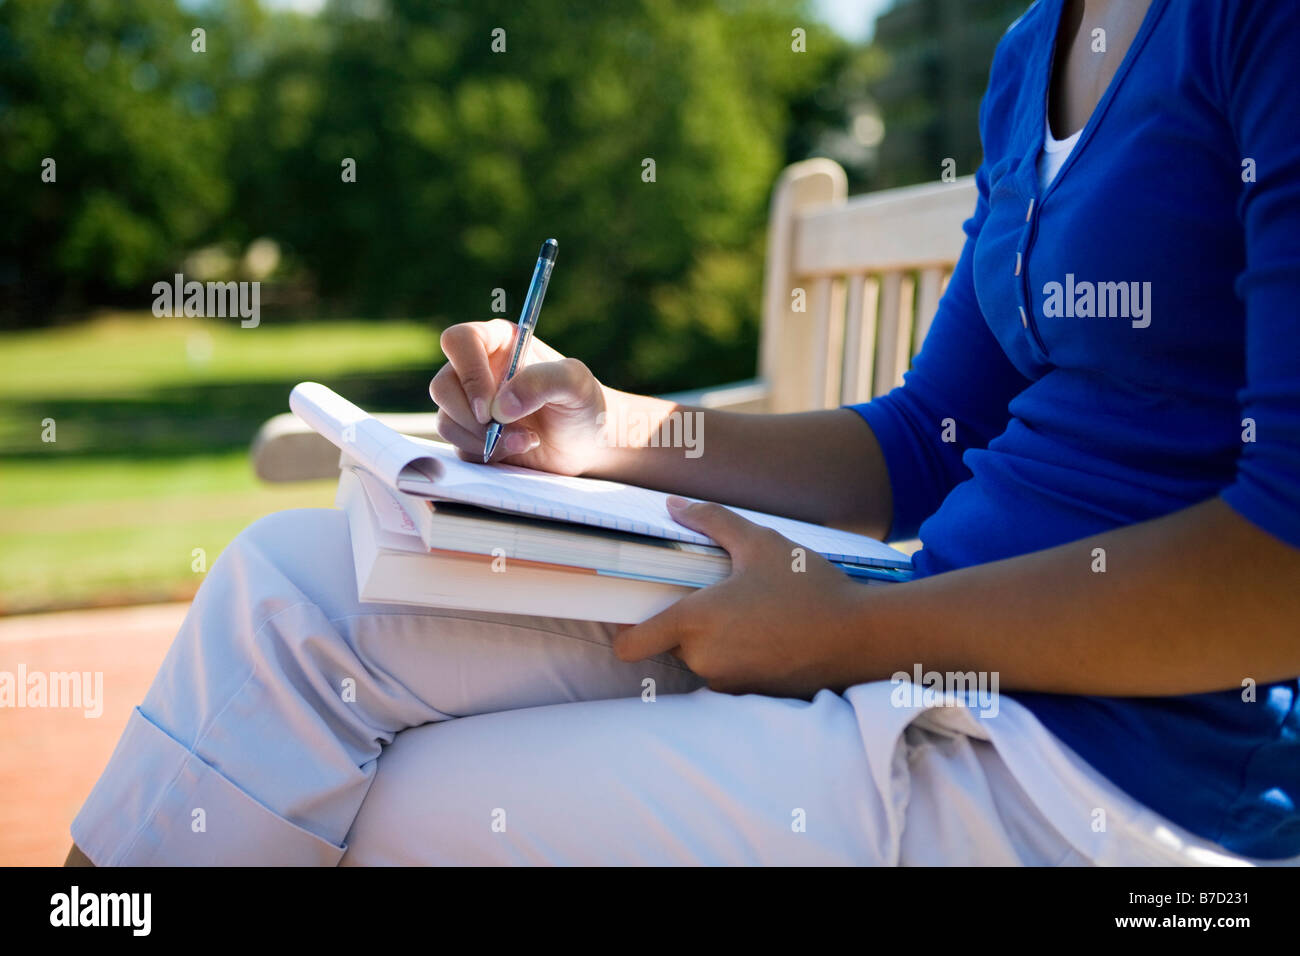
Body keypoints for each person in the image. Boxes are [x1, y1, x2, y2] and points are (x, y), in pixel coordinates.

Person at [68, 0, 1300, 865]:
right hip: (913, 624)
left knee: (384, 811)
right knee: (285, 590)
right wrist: (613, 428)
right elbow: (925, 439)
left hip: (1114, 766)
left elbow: (1280, 575)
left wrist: (860, 634)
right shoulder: (1035, 45)